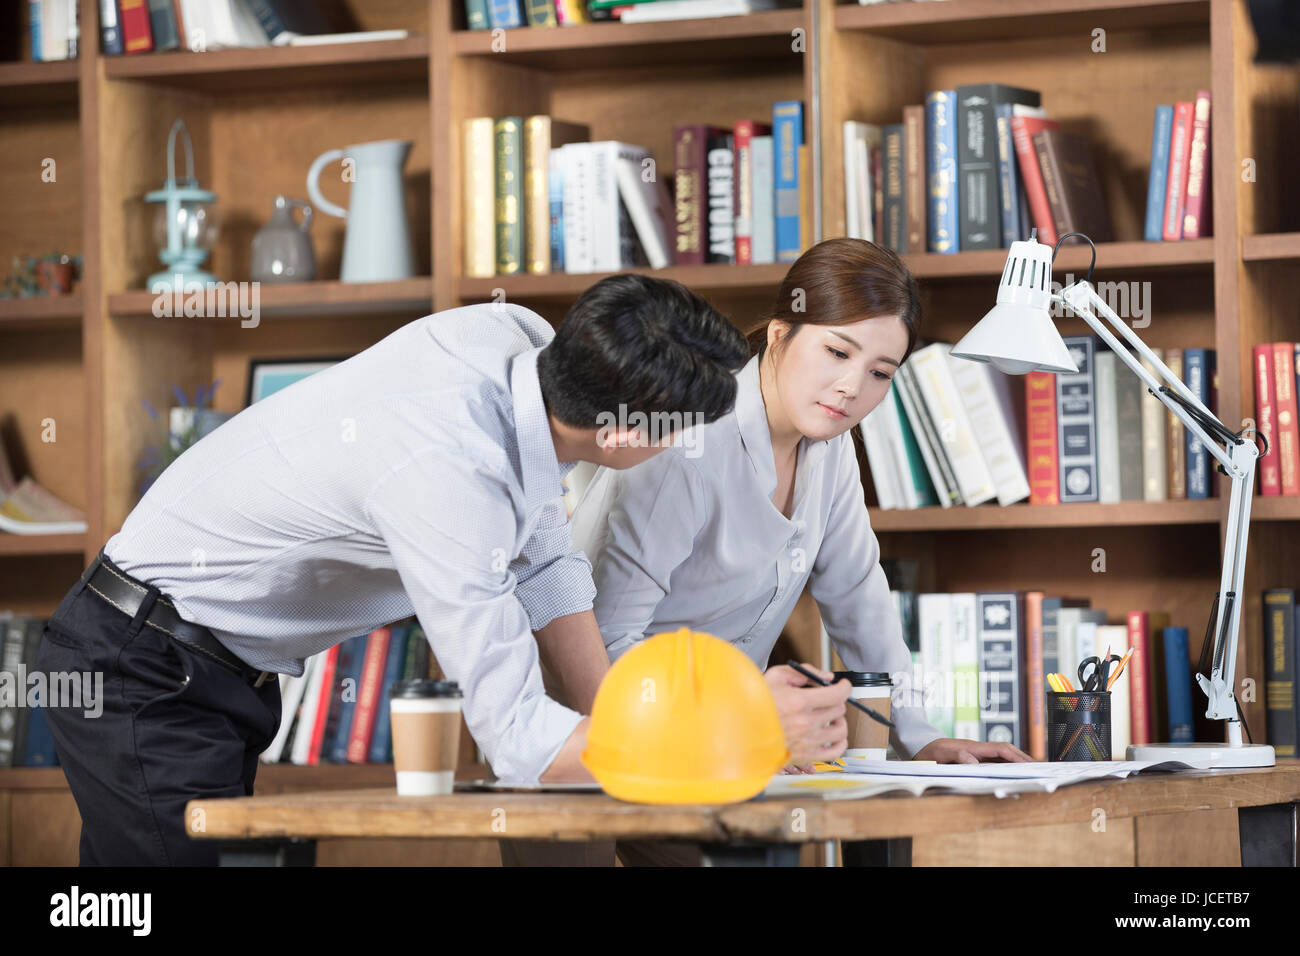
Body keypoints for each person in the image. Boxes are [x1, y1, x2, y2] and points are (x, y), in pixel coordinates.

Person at [35, 273, 750, 866]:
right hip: (138, 664)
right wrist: (726, 732)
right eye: (679, 432)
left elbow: (546, 563)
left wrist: (621, 722)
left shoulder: (523, 342)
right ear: (624, 432)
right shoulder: (449, 478)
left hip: (211, 668)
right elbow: (520, 744)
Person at [567, 238, 1032, 866]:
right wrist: (741, 711)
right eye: (837, 351)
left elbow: (860, 600)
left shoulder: (829, 446)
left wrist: (920, 741)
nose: (850, 388)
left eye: (879, 373)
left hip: (723, 749)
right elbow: (600, 647)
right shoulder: (689, 441)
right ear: (782, 334)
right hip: (591, 731)